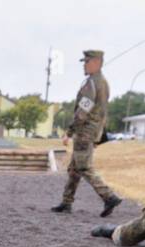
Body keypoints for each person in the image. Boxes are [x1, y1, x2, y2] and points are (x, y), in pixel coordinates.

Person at [52, 49, 122, 217]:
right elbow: (103, 113)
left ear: (97, 63)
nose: (84, 65)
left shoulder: (92, 83)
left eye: (87, 61)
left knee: (84, 167)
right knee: (74, 169)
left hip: (85, 132)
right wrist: (98, 136)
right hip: (92, 132)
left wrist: (69, 131)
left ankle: (109, 196)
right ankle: (66, 202)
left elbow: (83, 111)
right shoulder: (102, 82)